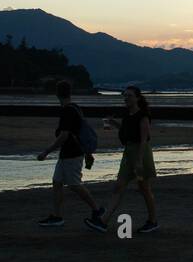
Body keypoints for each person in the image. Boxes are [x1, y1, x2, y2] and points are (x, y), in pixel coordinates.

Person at [36, 81, 105, 229]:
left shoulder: (68, 111)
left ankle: (96, 209)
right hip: (69, 153)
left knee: (74, 184)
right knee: (57, 182)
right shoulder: (75, 108)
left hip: (72, 153)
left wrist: (46, 152)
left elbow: (64, 136)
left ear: (57, 94)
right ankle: (57, 216)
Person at [100, 85, 158, 233]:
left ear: (137, 98)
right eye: (125, 96)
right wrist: (113, 123)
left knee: (144, 188)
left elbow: (144, 139)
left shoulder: (142, 115)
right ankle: (103, 221)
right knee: (119, 186)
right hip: (128, 154)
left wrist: (139, 161)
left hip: (141, 153)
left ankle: (152, 221)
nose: (126, 98)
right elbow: (126, 130)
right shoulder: (127, 115)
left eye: (129, 96)